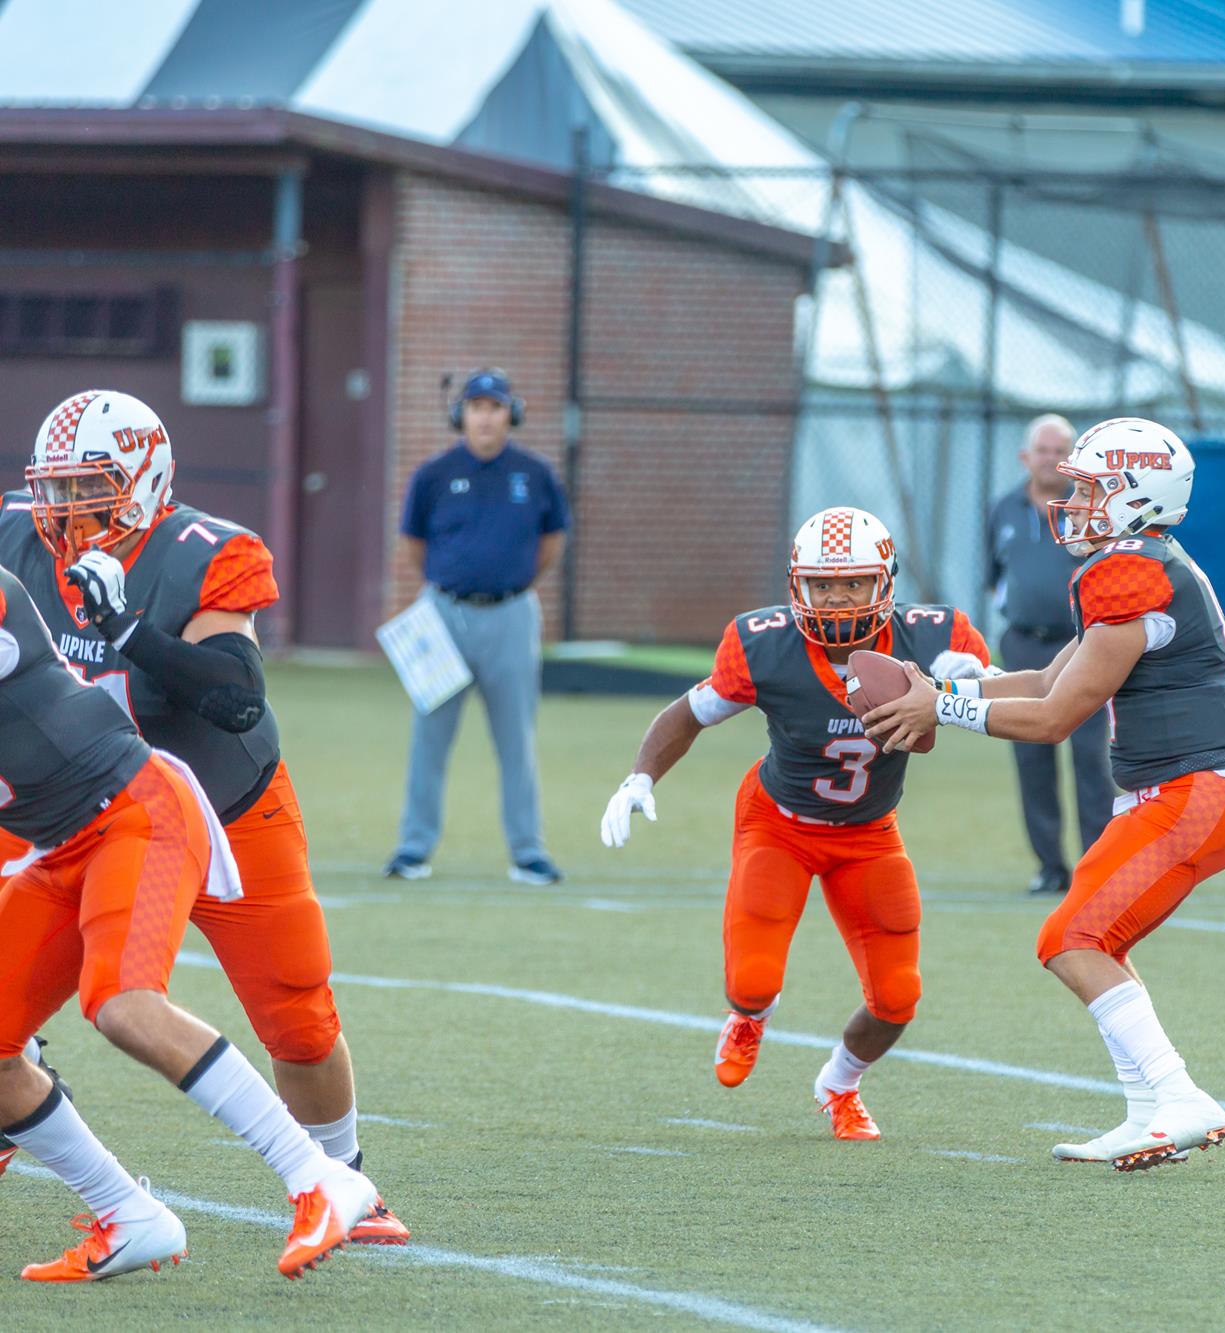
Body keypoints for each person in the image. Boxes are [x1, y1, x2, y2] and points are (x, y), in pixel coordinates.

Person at [0, 390, 405, 1244]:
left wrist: (132, 631)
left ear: (145, 479)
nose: (66, 509)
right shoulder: (16, 538)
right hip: (70, 806)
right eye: (56, 488)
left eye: (89, 486)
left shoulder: (202, 554)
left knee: (297, 1015)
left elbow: (235, 699)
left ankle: (348, 1180)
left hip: (219, 803)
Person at [862, 418, 1225, 1171]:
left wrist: (942, 709)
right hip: (1181, 792)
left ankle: (1180, 1096)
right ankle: (1149, 1110)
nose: (1072, 498)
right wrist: (949, 686)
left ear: (1136, 493)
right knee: (1092, 937)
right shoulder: (1139, 564)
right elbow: (1047, 680)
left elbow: (1056, 719)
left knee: (1070, 939)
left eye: (1091, 487)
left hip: (1194, 793)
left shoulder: (1132, 571)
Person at [599, 507, 989, 1140]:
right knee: (750, 982)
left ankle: (839, 1085)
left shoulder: (936, 637)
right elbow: (691, 712)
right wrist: (639, 777)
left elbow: (990, 697)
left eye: (854, 583)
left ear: (883, 583)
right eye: (824, 584)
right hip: (778, 823)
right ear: (797, 585)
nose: (838, 597)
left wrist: (967, 686)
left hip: (869, 833)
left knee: (898, 998)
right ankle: (750, 1018)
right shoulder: (765, 643)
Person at [387, 368, 568, 885]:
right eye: (476, 407)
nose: (486, 417)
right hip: (443, 614)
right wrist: (454, 587)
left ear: (512, 412)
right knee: (429, 739)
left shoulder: (534, 474)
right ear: (460, 414)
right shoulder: (433, 475)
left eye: (495, 407)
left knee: (517, 740)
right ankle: (412, 848)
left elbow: (552, 542)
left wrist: (509, 585)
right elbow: (415, 546)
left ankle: (528, 851)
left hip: (511, 616)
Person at [986, 414, 1113, 897]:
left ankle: (1097, 865)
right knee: (1031, 757)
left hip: (1082, 644)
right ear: (1026, 456)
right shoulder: (1003, 509)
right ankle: (1049, 867)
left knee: (1091, 758)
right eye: (1043, 450)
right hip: (1022, 642)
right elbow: (993, 574)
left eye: (1062, 450)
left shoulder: (1088, 509)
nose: (1051, 459)